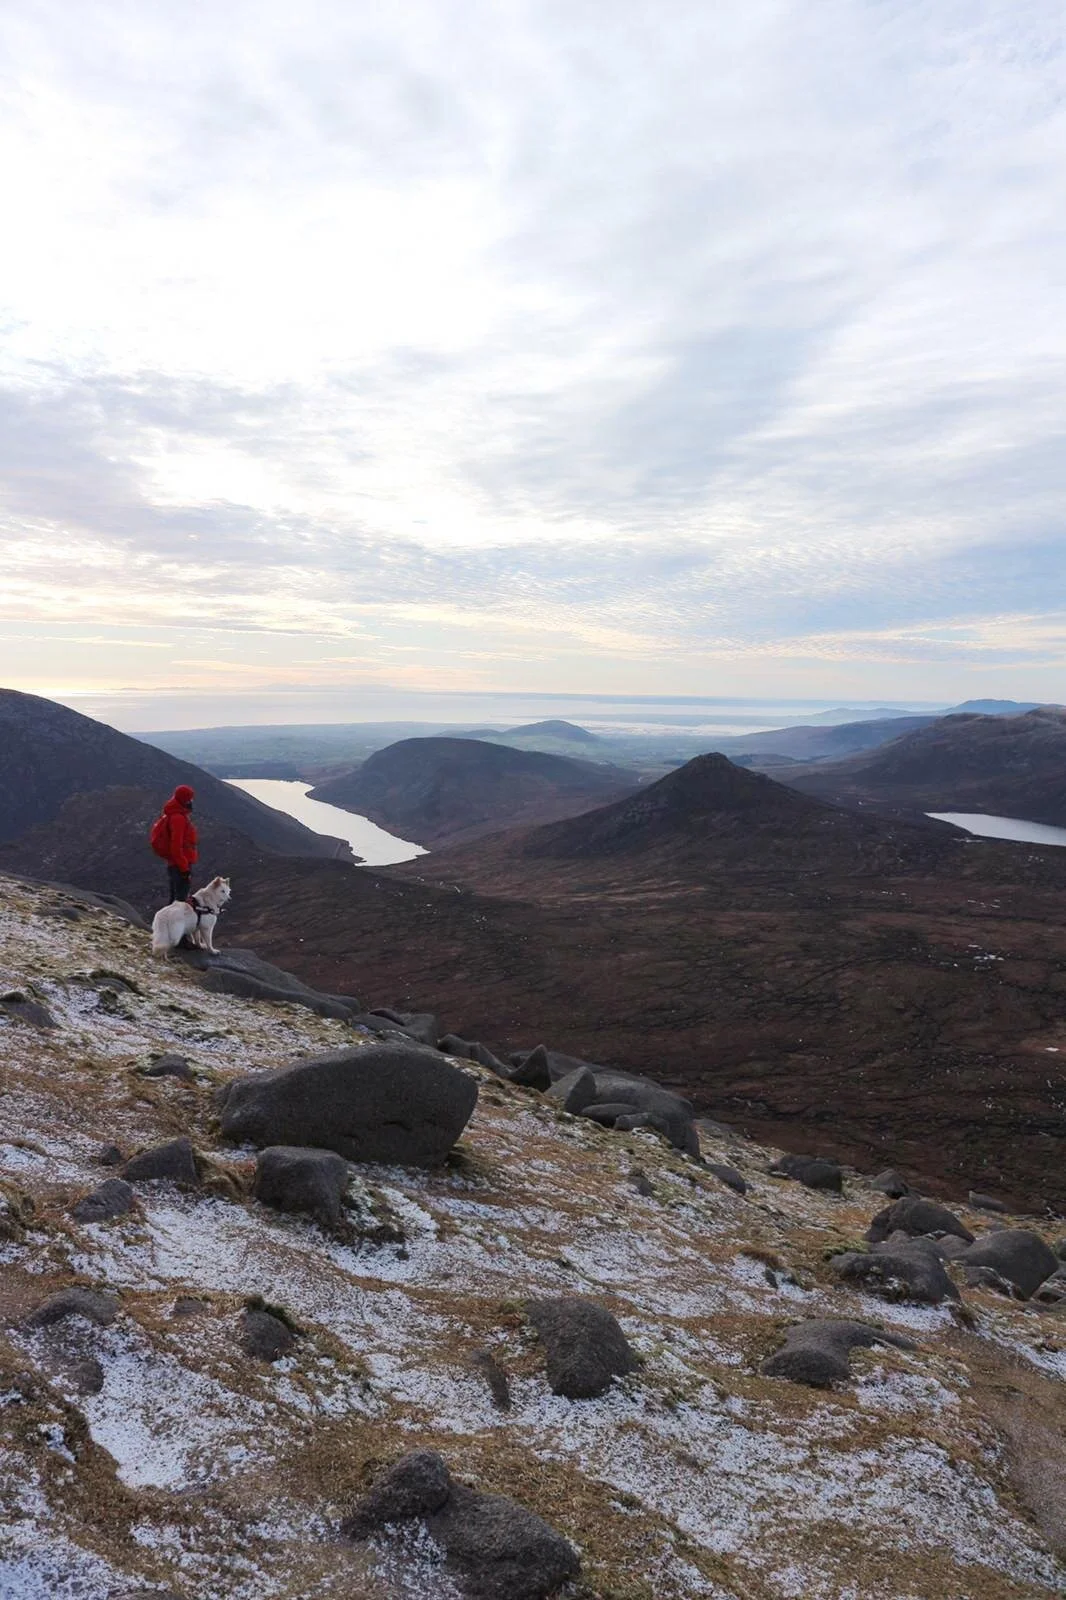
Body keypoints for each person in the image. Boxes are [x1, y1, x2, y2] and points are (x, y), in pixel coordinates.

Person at [151, 785, 199, 903]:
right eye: (189, 799)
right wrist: (184, 869)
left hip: (176, 864)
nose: (191, 801)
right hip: (180, 864)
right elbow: (176, 846)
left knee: (176, 899)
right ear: (184, 800)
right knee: (180, 901)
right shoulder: (178, 819)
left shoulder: (174, 815)